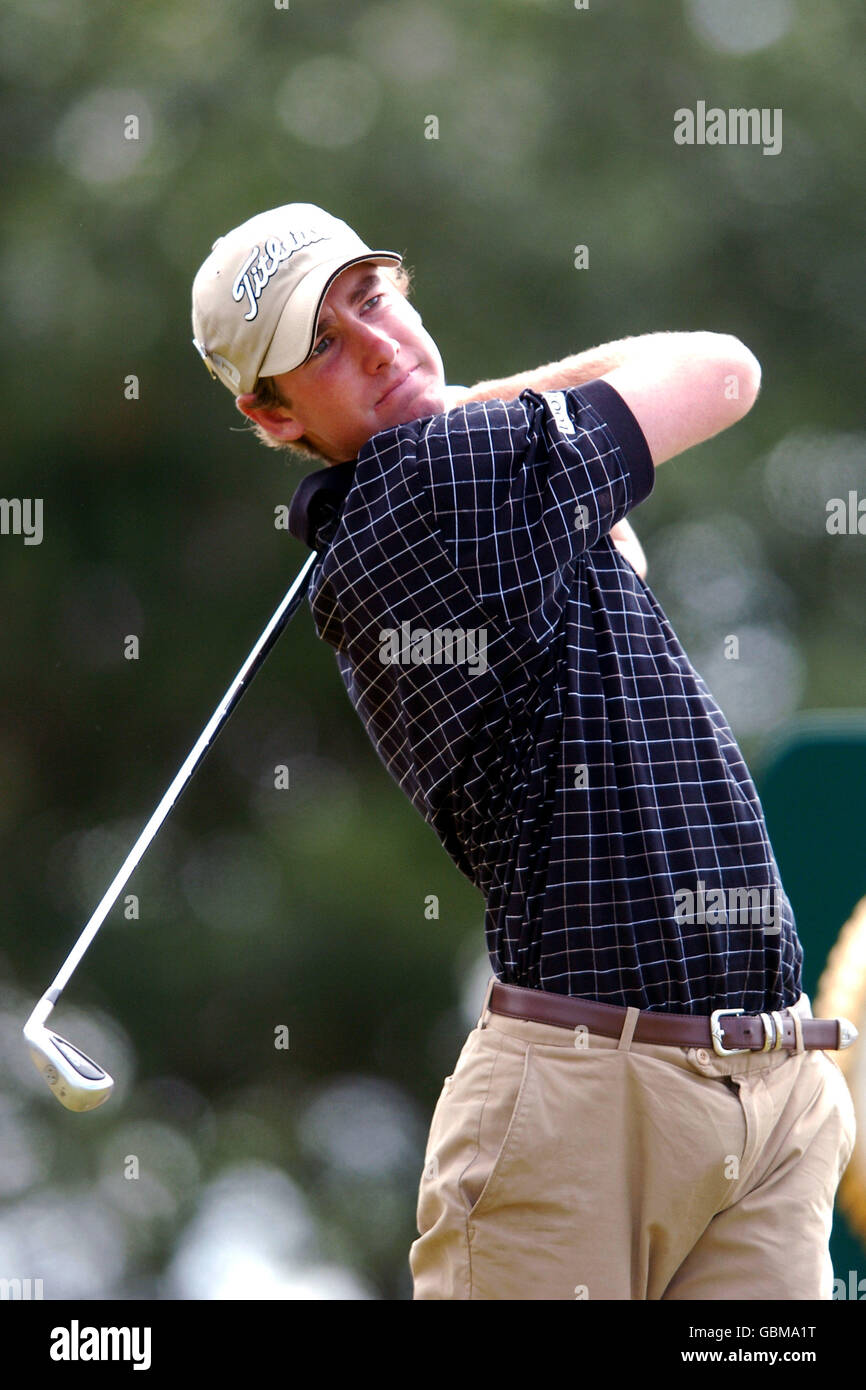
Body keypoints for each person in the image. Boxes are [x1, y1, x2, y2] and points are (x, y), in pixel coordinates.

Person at [191, 201, 857, 1301]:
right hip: (589, 1105)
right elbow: (718, 368)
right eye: (320, 348)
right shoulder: (439, 483)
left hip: (768, 1088)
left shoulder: (460, 478)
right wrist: (468, 400)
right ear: (272, 418)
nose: (374, 347)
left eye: (369, 301)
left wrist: (458, 406)